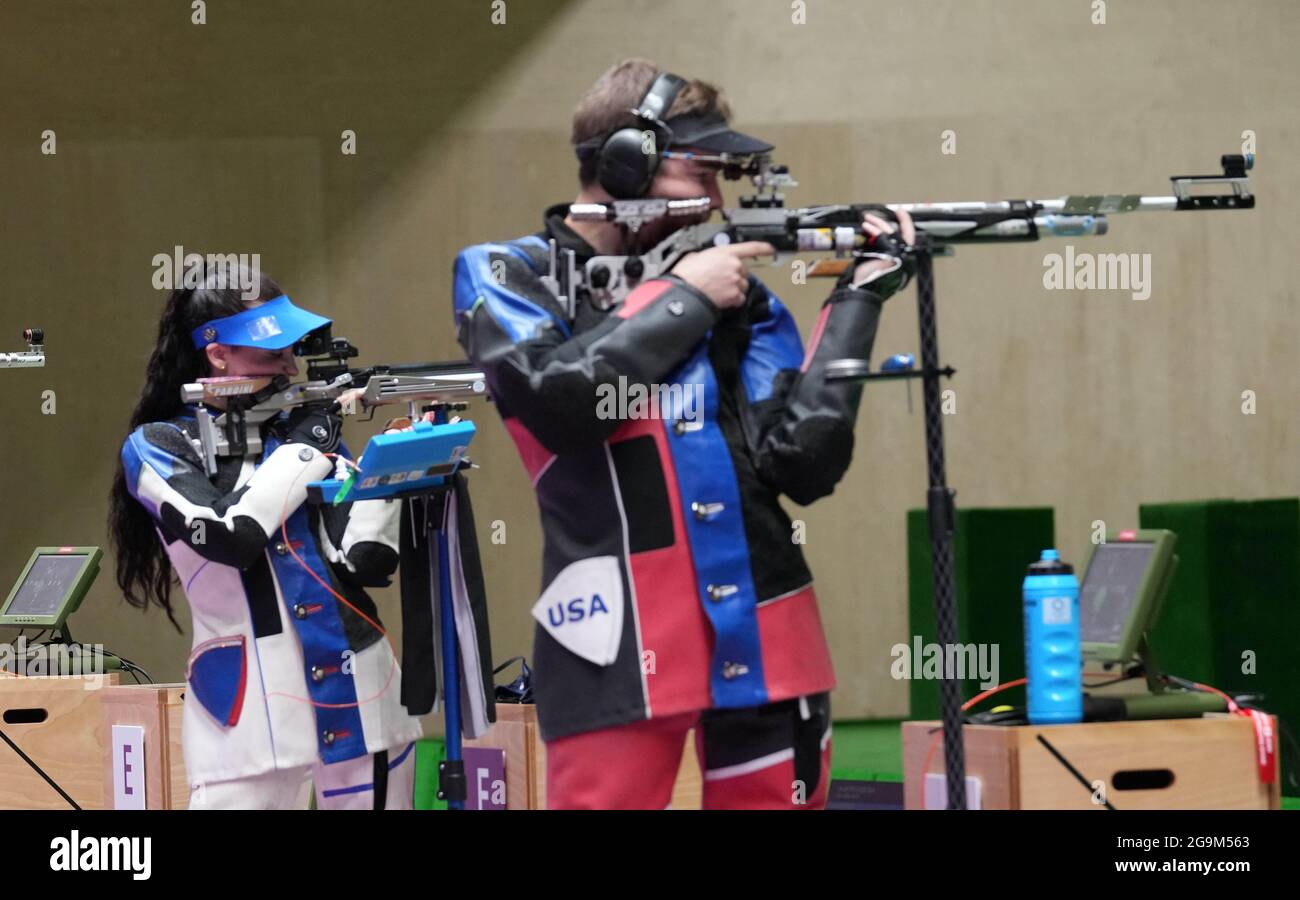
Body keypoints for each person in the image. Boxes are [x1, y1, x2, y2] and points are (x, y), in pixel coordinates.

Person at [451, 59, 916, 809]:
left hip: (769, 631)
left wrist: (859, 300)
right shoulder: (506, 273)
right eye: (701, 172)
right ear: (622, 162)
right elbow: (563, 404)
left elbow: (805, 465)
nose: (715, 200)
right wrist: (685, 296)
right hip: (614, 637)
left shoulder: (740, 299)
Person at [107, 266, 423, 809]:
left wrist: (392, 469)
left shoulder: (300, 432)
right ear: (217, 354)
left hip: (361, 691)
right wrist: (307, 450)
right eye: (271, 352)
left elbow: (364, 562)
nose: (289, 367)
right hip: (246, 711)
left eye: (290, 352)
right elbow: (231, 534)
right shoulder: (160, 444)